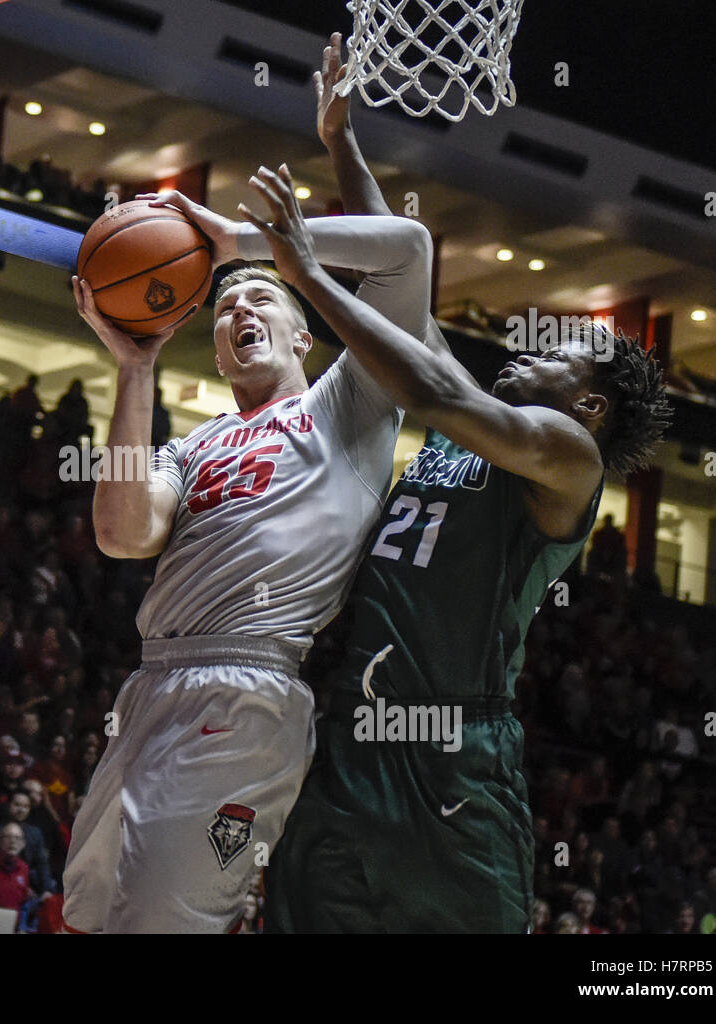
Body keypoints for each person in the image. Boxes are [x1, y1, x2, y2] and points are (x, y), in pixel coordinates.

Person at [260, 35, 671, 934]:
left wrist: (306, 275)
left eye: (557, 350)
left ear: (590, 403)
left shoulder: (567, 456)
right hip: (356, 737)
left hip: (451, 750)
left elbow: (430, 383)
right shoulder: (478, 420)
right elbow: (402, 295)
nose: (528, 345)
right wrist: (341, 143)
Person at [62, 48, 440, 932]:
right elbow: (122, 535)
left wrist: (243, 245)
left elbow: (408, 252)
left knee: (166, 924)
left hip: (249, 694)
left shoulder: (346, 405)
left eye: (260, 300)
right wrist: (135, 367)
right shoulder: (193, 445)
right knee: (84, 915)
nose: (237, 311)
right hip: (150, 687)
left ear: (308, 335)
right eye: (224, 307)